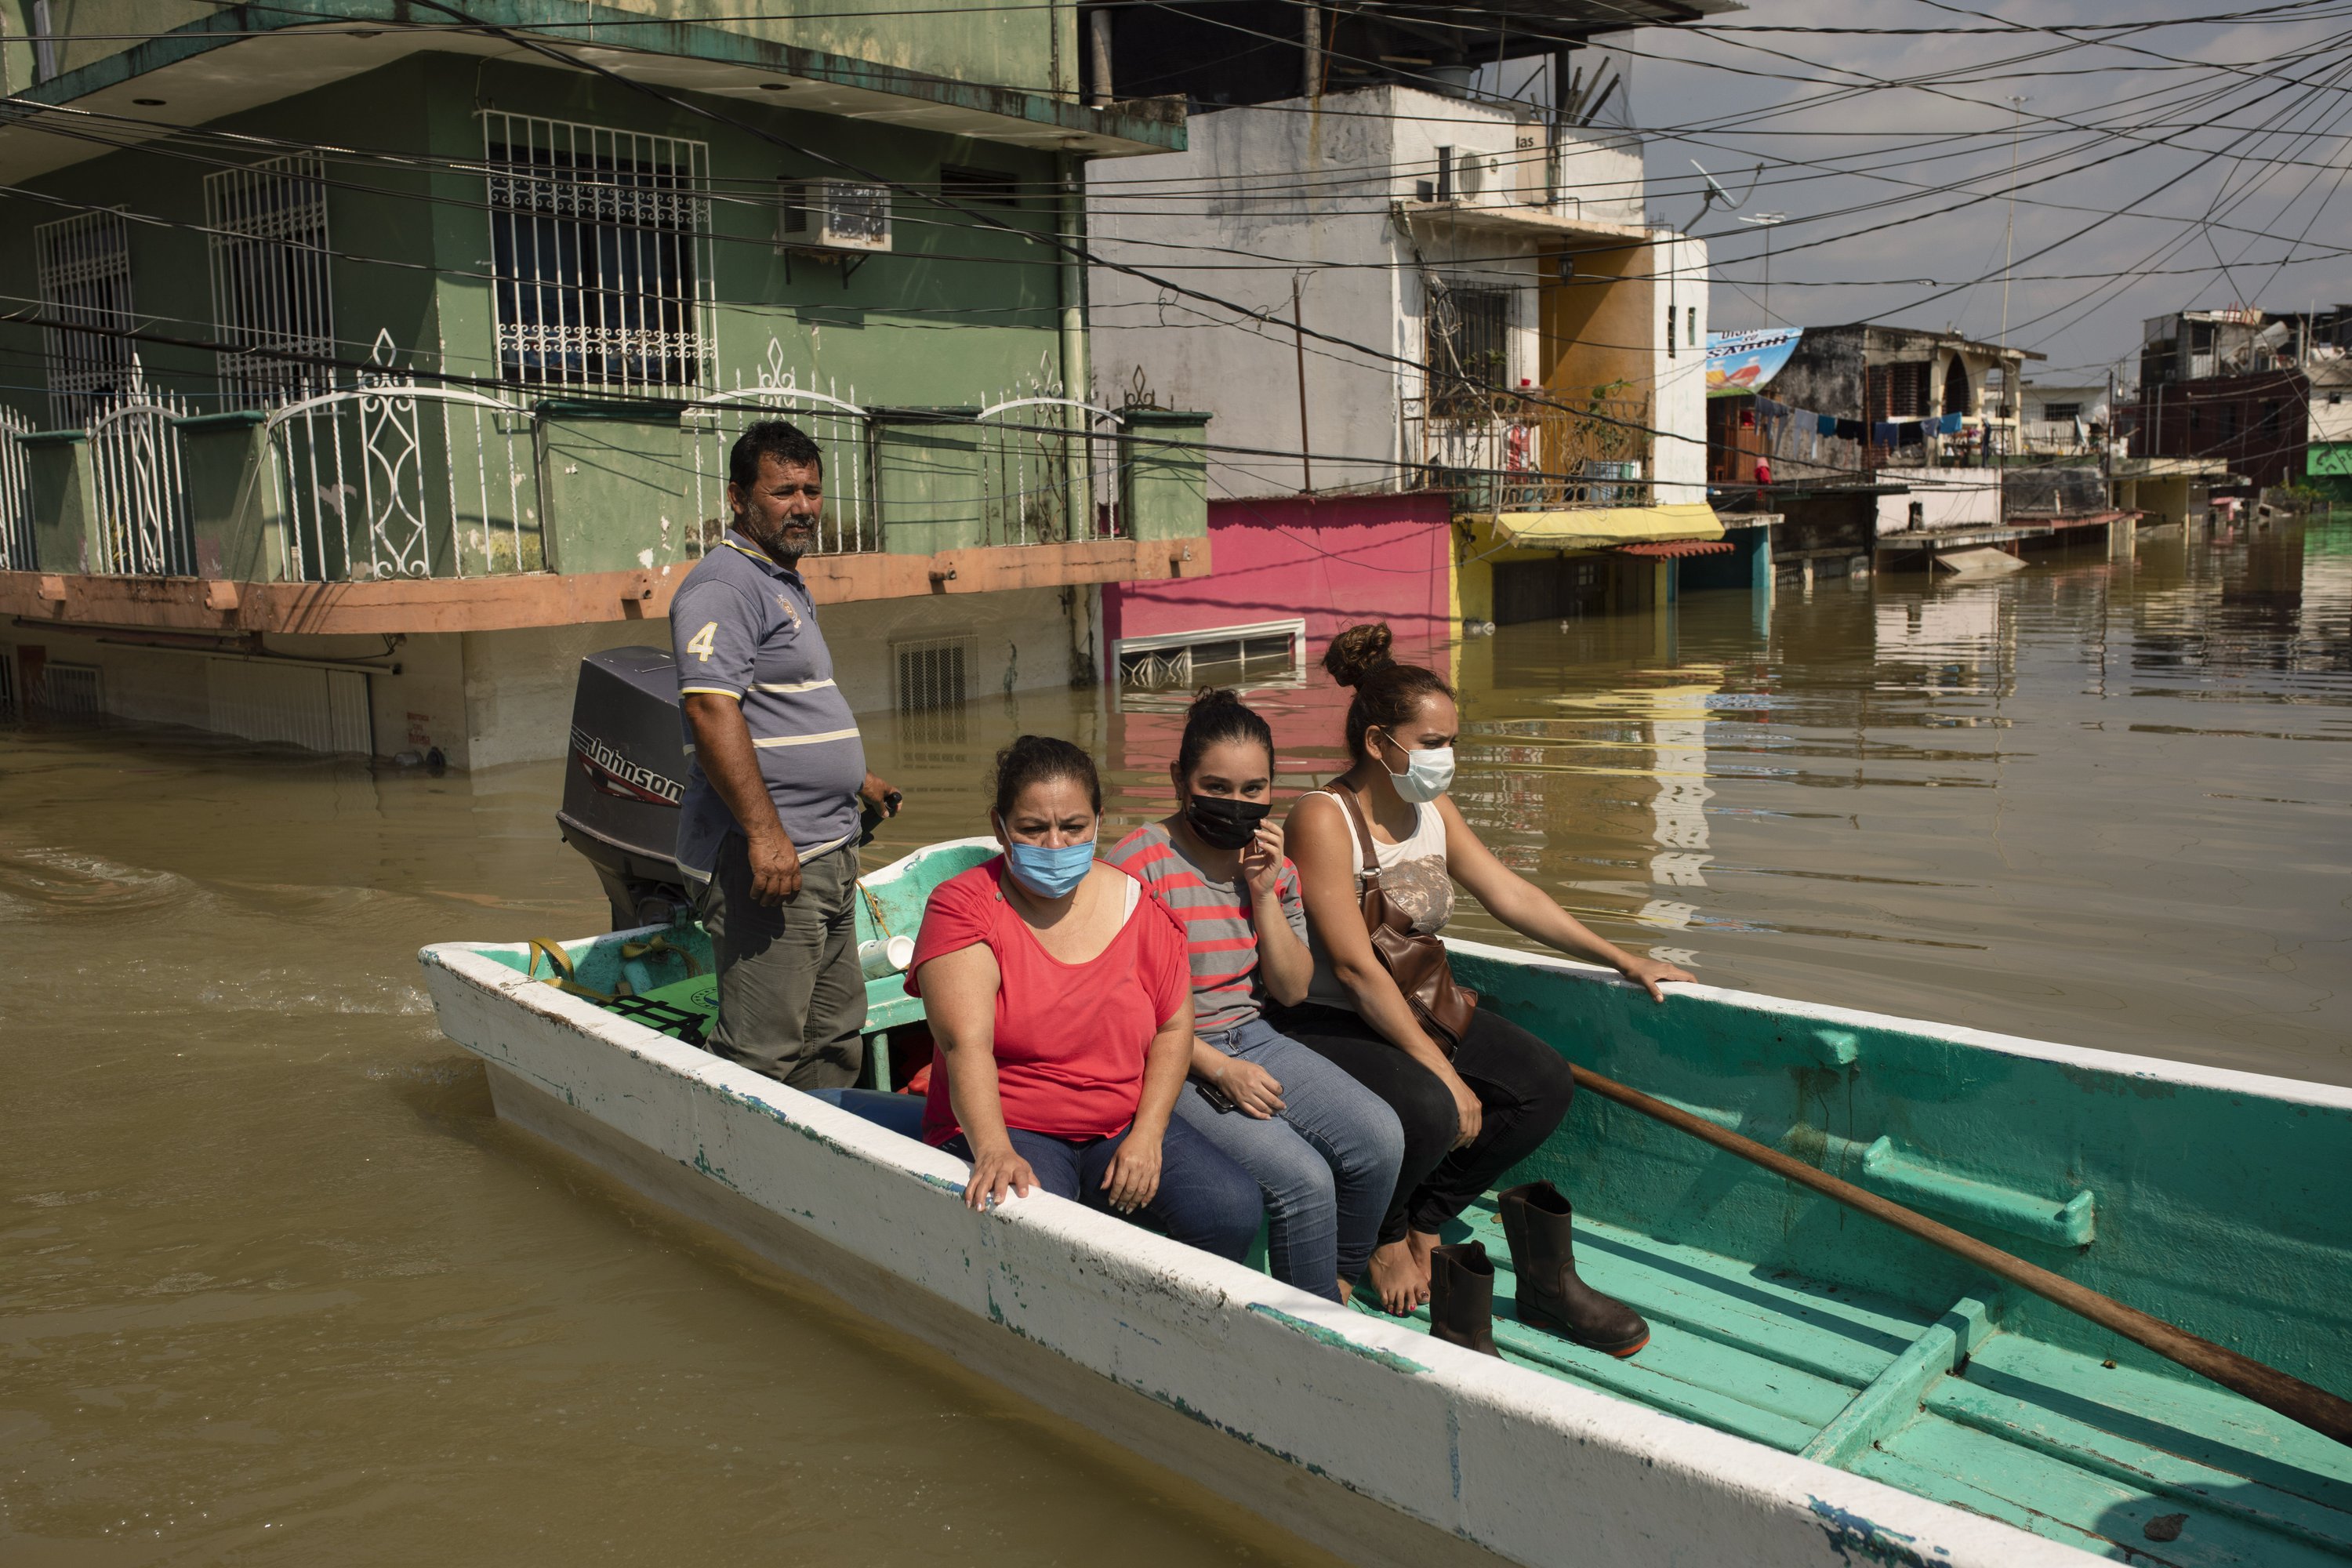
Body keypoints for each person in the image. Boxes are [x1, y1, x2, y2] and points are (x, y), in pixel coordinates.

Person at [1276, 623, 1694, 1349]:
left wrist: (1623, 957)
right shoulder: (1324, 816)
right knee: (1434, 1106)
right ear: (1380, 744)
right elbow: (1350, 968)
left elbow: (1510, 893)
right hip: (1334, 1016)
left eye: (1452, 742)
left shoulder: (1430, 808)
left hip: (1417, 998)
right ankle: (1381, 1234)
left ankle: (1424, 1221)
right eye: (1432, 742)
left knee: (1543, 1083)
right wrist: (1443, 1071)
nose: (1445, 758)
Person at [907, 735, 1262, 1261]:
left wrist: (1147, 1135)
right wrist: (993, 1149)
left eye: (1073, 827)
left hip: (1114, 1126)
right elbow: (966, 1045)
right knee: (1039, 1225)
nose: (1055, 845)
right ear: (999, 827)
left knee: (1231, 1207)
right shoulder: (964, 907)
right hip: (1010, 1124)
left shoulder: (1141, 907)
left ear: (1098, 821)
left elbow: (1173, 1029)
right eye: (1033, 828)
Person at [1108, 689, 1404, 1304]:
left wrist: (1265, 891)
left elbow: (1292, 990)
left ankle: (1334, 1282)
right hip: (1172, 1056)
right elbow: (1131, 1012)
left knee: (1381, 1138)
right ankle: (1308, 1324)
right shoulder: (1138, 866)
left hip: (1256, 1034)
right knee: (1303, 1180)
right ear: (1179, 781)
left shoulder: (1271, 862)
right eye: (1216, 787)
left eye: (1253, 790)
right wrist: (1221, 1071)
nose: (1236, 805)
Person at [670, 420, 901, 1090]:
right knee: (763, 1053)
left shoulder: (781, 581)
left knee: (833, 1037)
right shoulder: (725, 586)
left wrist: (856, 779)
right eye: (783, 491)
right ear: (739, 498)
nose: (802, 506)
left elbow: (790, 704)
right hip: (771, 863)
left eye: (812, 490)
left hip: (828, 849)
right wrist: (767, 836)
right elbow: (711, 708)